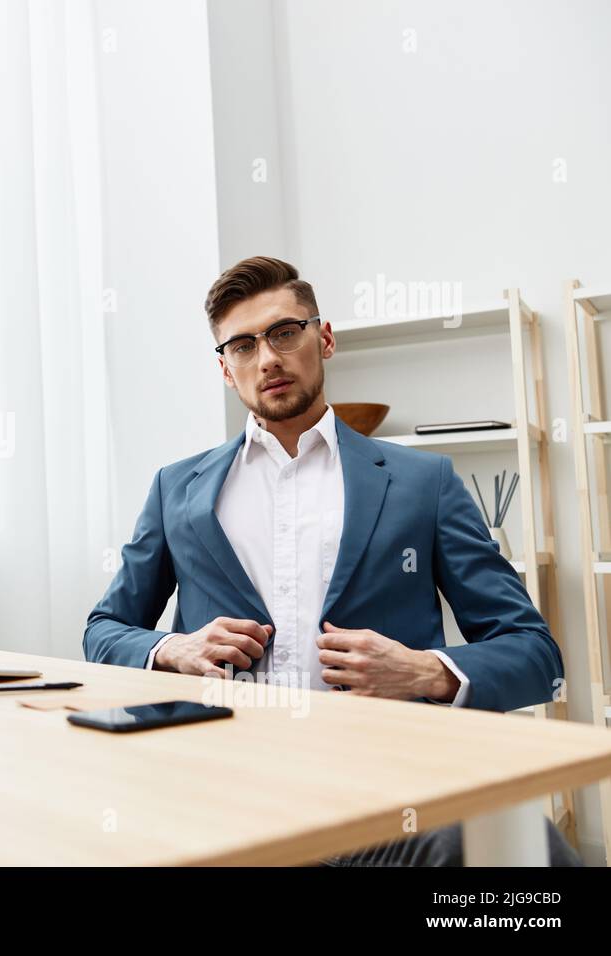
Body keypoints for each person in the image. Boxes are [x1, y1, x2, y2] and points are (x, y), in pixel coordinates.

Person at [83, 256, 580, 866]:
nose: (266, 358)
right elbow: (102, 630)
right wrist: (170, 649)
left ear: (323, 337)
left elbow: (535, 653)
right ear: (224, 368)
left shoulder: (423, 482)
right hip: (224, 784)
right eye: (242, 345)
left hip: (380, 791)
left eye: (284, 332)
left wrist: (427, 671)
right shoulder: (175, 490)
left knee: (515, 850)